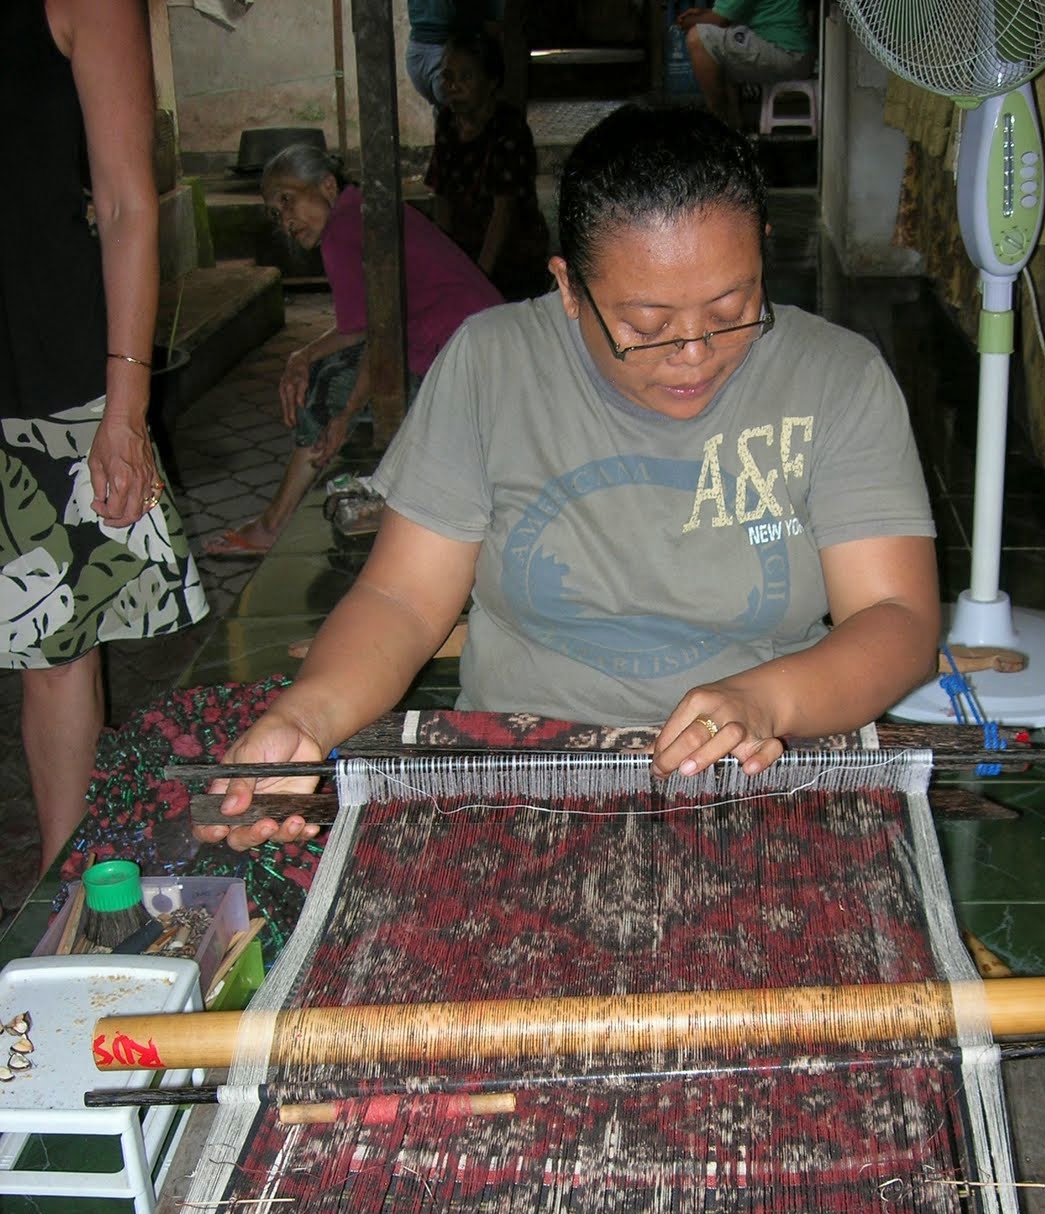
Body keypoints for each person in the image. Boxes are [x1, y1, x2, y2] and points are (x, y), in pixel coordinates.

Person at [199, 105, 939, 854]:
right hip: (517, 775)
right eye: (646, 325)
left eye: (732, 307)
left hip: (757, 768)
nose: (694, 352)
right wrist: (306, 719)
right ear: (568, 287)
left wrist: (767, 700)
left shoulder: (838, 380)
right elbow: (402, 598)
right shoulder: (494, 364)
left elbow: (896, 616)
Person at [0, 0, 209, 879]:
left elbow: (127, 203)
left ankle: (69, 887)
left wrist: (124, 410)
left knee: (54, 649)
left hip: (42, 361)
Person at [203, 145, 503, 559]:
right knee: (326, 375)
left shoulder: (344, 228)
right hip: (477, 348)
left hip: (465, 365)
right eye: (276, 212)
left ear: (326, 185)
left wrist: (343, 414)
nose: (286, 220)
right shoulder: (358, 213)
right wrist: (302, 355)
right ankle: (283, 518)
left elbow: (373, 334)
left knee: (327, 390)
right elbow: (363, 325)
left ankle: (274, 524)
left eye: (288, 200)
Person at [426, 28, 551, 301]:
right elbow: (442, 195)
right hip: (466, 248)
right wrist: (445, 262)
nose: (453, 86)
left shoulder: (508, 128)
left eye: (466, 77)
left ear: (491, 81)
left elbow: (503, 213)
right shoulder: (447, 123)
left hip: (512, 255)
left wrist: (477, 280)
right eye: (447, 77)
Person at [677, 3, 815, 128]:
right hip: (795, 54)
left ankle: (719, 125)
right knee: (718, 50)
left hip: (786, 53)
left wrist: (686, 21)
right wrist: (704, 14)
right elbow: (732, 12)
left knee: (699, 36)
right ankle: (734, 125)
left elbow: (720, 19)